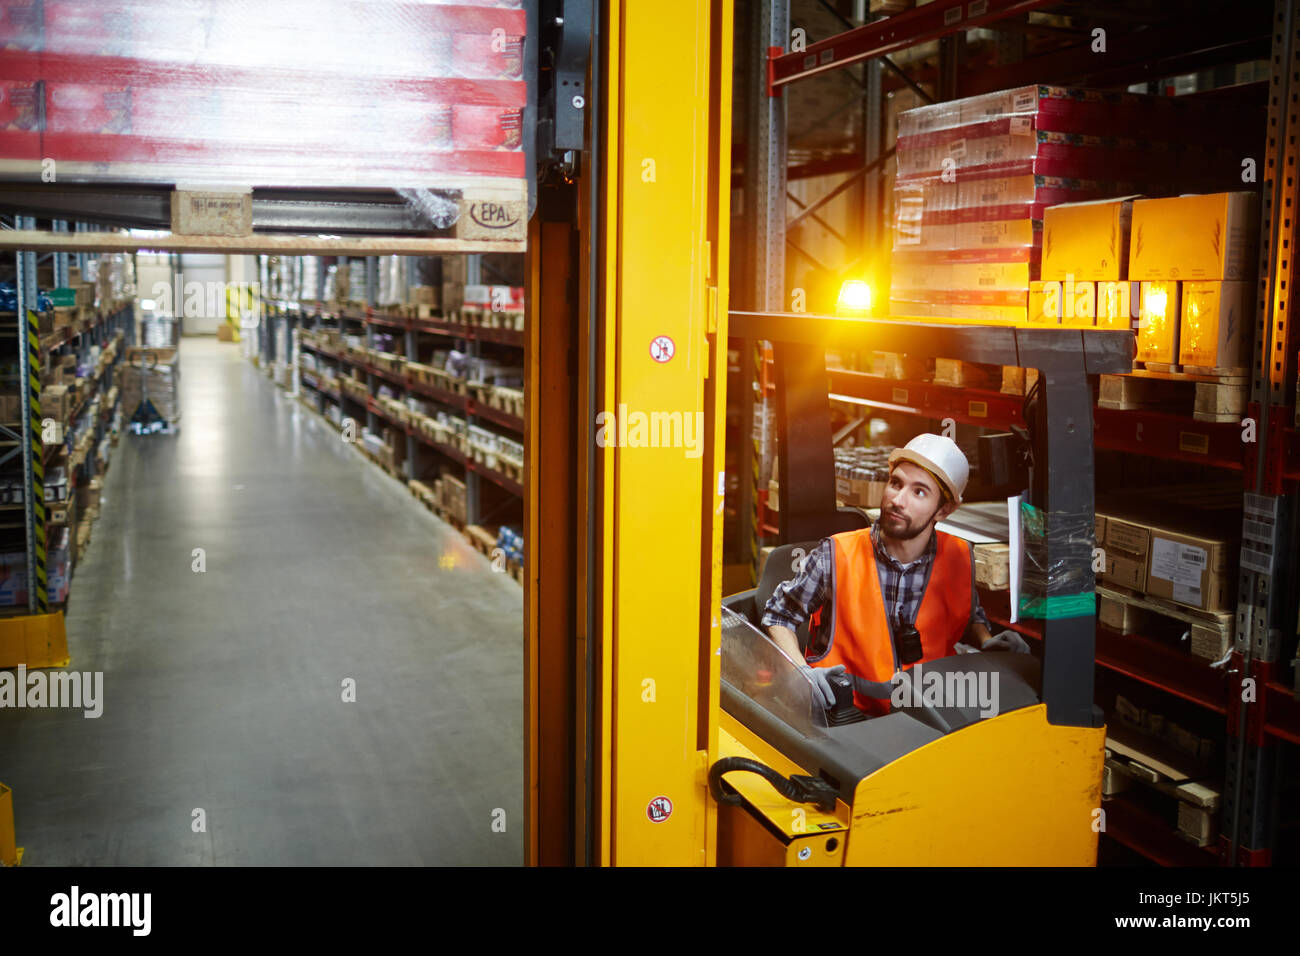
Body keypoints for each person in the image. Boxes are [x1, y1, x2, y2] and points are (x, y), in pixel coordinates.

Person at [761, 433, 1029, 716]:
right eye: (896, 483)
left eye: (919, 492)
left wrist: (986, 640)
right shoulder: (836, 555)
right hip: (846, 719)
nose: (898, 500)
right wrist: (801, 674)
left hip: (929, 720)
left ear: (945, 510)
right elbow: (779, 616)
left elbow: (967, 616)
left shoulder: (959, 558)